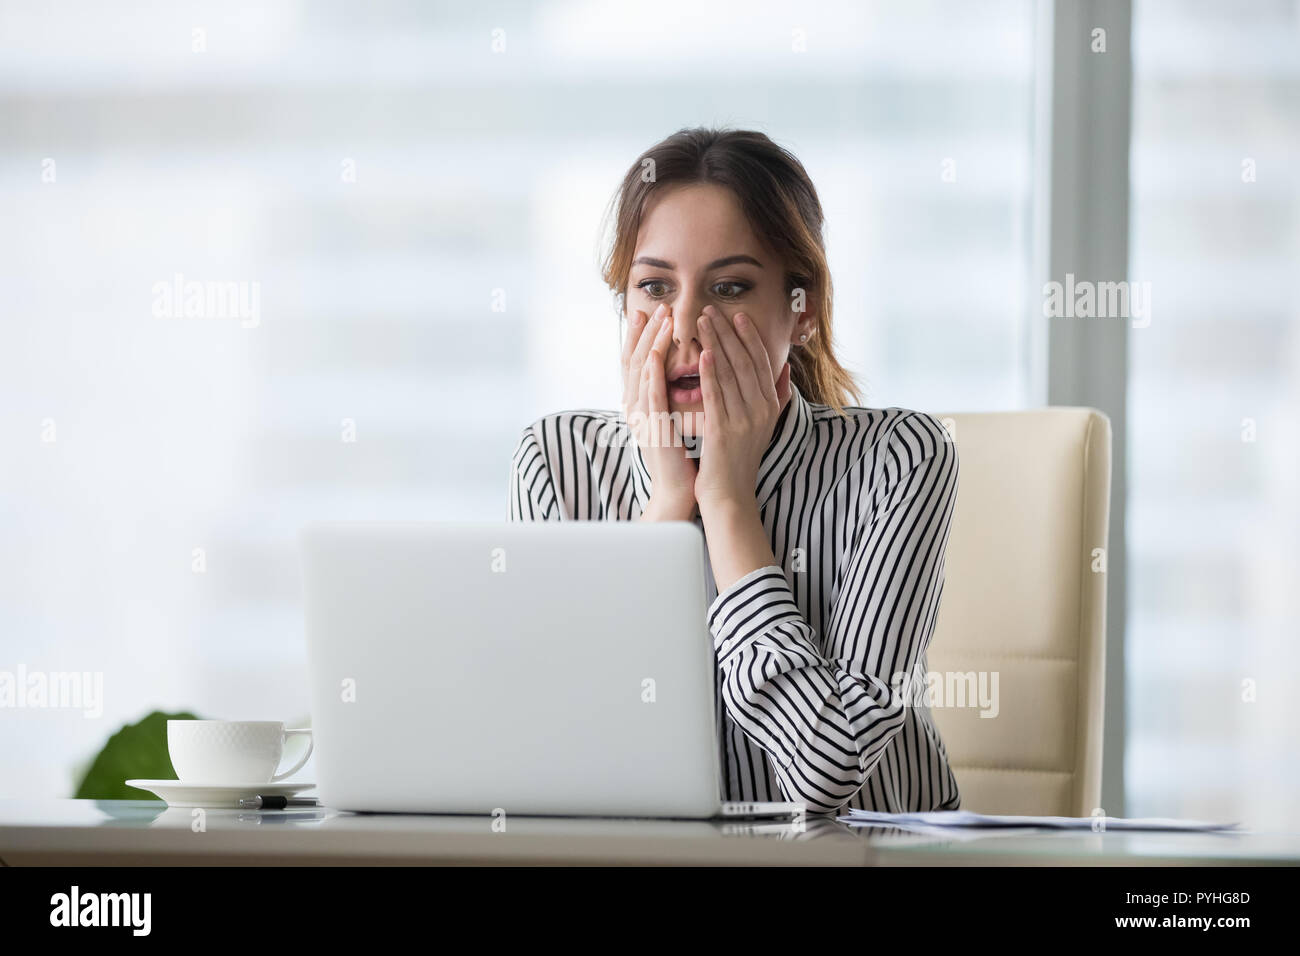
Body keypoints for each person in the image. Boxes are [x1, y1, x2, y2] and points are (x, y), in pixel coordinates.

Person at [508, 127, 961, 814]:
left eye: (729, 287)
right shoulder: (559, 462)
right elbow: (555, 758)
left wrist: (725, 504)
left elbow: (826, 771)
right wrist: (666, 507)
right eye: (654, 287)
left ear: (801, 312)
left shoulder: (900, 458)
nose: (685, 324)